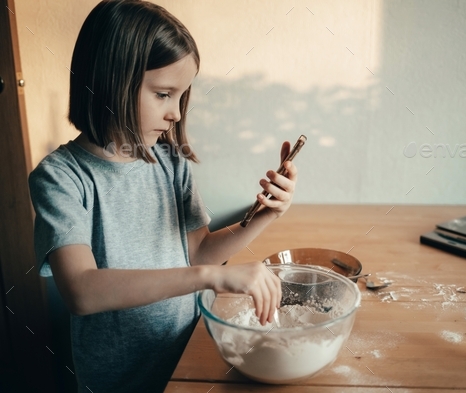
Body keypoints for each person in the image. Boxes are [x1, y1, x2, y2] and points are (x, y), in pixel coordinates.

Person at [27, 1, 297, 392]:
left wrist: (267, 214)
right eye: (164, 94)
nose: (175, 113)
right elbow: (82, 291)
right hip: (119, 381)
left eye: (181, 96)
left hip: (184, 358)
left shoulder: (170, 162)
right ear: (111, 81)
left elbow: (199, 251)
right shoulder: (61, 177)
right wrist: (212, 277)